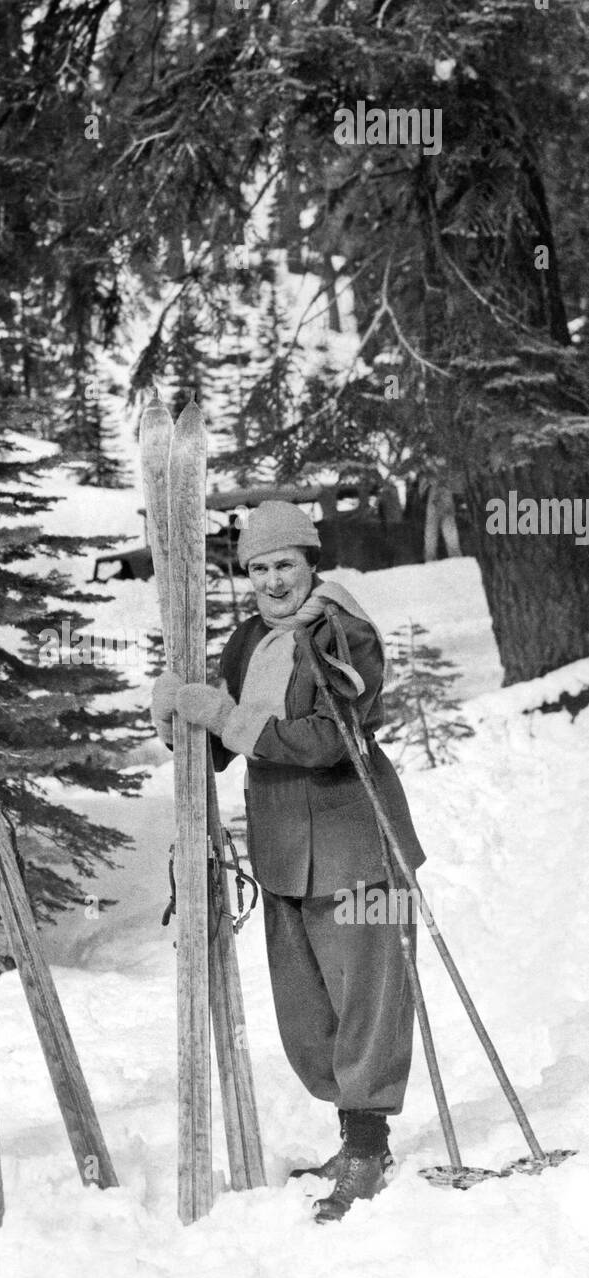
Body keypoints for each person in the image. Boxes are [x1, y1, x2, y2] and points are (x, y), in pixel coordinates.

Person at [152, 500, 426, 1222]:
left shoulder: (341, 630)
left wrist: (219, 716)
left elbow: (322, 740)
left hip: (353, 843)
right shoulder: (247, 640)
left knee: (366, 999)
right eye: (258, 569)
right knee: (308, 1014)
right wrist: (174, 712)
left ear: (312, 564)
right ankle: (350, 1137)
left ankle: (367, 1149)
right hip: (281, 851)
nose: (272, 581)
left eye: (284, 565)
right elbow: (215, 749)